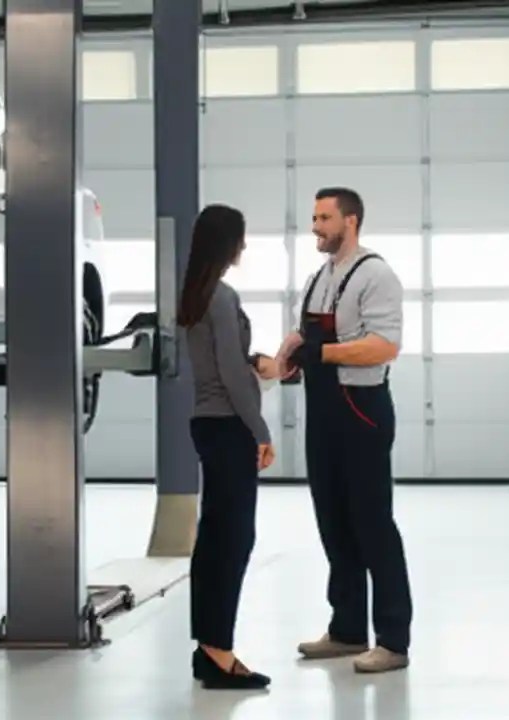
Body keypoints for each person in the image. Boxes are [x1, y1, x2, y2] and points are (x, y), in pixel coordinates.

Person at [275, 187, 413, 674]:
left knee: (373, 524)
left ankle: (393, 640)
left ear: (350, 221)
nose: (315, 226)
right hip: (324, 410)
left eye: (324, 218)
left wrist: (323, 354)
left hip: (362, 410)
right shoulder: (319, 277)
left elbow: (383, 346)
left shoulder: (375, 274)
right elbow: (305, 334)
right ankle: (348, 630)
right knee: (333, 522)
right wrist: (285, 357)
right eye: (314, 217)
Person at [178, 203, 279, 691]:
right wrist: (260, 430)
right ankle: (219, 652)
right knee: (234, 539)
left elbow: (227, 361)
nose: (244, 246)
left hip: (206, 423)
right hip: (228, 426)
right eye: (240, 237)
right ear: (228, 243)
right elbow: (232, 377)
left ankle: (208, 648)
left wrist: (253, 360)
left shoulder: (196, 294)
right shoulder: (221, 296)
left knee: (215, 538)